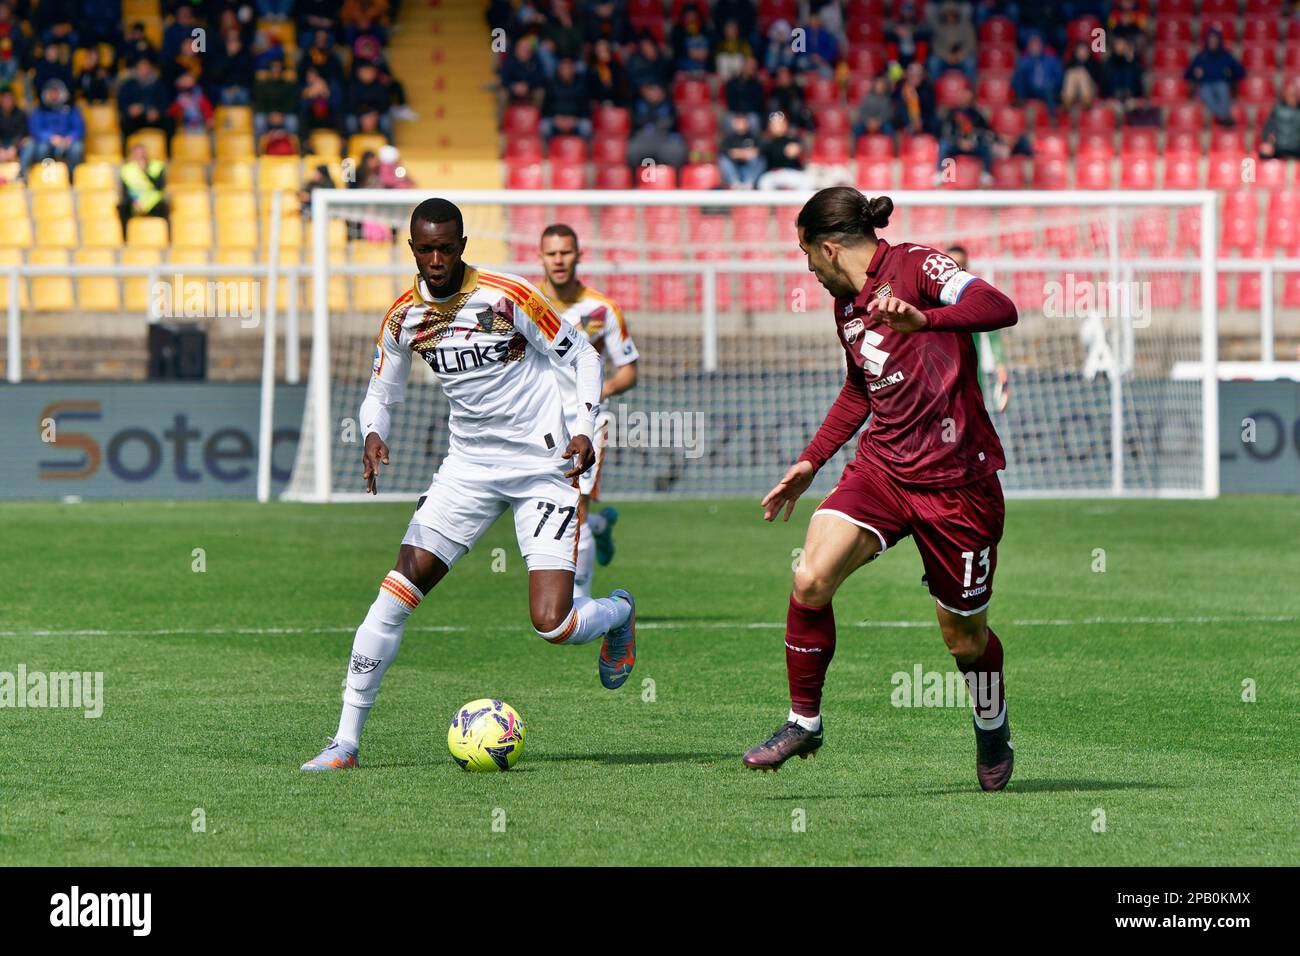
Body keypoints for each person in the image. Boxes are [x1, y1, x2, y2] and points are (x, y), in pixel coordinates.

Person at [300, 199, 637, 771]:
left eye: (446, 248)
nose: (436, 259)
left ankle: (619, 614)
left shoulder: (508, 296)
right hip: (468, 470)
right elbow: (382, 390)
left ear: (461, 245)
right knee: (395, 592)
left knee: (553, 623)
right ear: (411, 248)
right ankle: (346, 742)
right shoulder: (404, 317)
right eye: (425, 249)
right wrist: (373, 433)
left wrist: (583, 427)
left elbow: (582, 355)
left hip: (544, 467)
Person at [741, 187, 1019, 793]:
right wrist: (813, 460)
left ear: (830, 246)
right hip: (883, 471)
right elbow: (859, 390)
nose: (807, 268)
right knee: (811, 577)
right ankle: (803, 721)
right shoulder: (846, 305)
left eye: (806, 253)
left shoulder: (919, 265)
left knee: (964, 639)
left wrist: (927, 318)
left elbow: (1000, 305)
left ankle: (992, 724)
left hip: (957, 484)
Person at [537, 223, 640, 601]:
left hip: (587, 420)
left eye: (566, 252)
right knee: (546, 503)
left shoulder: (602, 309)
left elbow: (628, 370)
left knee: (575, 502)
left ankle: (578, 598)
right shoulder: (529, 305)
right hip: (539, 420)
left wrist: (597, 393)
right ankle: (596, 527)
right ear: (541, 257)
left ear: (578, 255)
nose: (559, 259)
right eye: (552, 253)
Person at [948, 245, 1009, 412]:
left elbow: (994, 337)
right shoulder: (934, 301)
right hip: (942, 383)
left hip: (973, 383)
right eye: (952, 264)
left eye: (961, 265)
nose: (957, 269)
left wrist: (1001, 370)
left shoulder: (976, 299)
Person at [1184, 28, 1243, 126]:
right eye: (1211, 40)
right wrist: (1195, 73)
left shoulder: (1226, 55)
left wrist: (1231, 74)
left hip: (1221, 83)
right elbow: (1187, 74)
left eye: (1215, 40)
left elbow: (1240, 71)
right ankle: (1225, 117)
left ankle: (1223, 118)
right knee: (1204, 92)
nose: (1213, 42)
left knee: (1223, 89)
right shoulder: (1201, 56)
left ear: (1219, 41)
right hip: (1205, 85)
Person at [29, 79, 84, 170]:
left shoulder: (71, 108)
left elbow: (79, 128)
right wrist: (50, 138)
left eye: (56, 92)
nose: (54, 95)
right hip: (49, 142)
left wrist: (70, 138)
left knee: (77, 148)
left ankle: (71, 178)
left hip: (67, 141)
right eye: (51, 92)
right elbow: (36, 129)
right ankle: (45, 175)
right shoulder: (40, 109)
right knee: (42, 149)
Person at [119, 142, 167, 229]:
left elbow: (159, 187)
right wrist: (134, 201)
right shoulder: (126, 170)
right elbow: (125, 192)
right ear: (132, 156)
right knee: (122, 206)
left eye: (143, 155)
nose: (141, 157)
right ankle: (125, 236)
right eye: (138, 155)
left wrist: (145, 172)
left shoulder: (157, 166)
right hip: (135, 201)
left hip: (153, 201)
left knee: (164, 205)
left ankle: (163, 234)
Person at [758, 110, 810, 190]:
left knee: (807, 181)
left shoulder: (793, 138)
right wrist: (784, 151)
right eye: (775, 124)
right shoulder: (766, 141)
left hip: (792, 172)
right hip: (774, 173)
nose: (778, 126)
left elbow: (796, 152)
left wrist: (797, 149)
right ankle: (772, 203)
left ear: (786, 124)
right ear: (769, 126)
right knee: (764, 182)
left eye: (780, 123)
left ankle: (799, 203)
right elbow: (769, 154)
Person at [1011, 33, 1062, 111]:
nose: (1035, 48)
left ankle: (1053, 117)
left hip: (1047, 89)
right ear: (1028, 47)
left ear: (1041, 46)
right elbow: (1015, 81)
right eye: (1032, 45)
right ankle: (1020, 101)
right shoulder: (1024, 61)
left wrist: (1051, 84)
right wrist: (1029, 61)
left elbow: (1058, 77)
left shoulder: (1051, 60)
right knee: (1019, 72)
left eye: (1037, 45)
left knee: (1048, 89)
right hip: (1030, 89)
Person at [718, 111, 764, 188]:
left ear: (747, 123)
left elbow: (762, 149)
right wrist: (743, 153)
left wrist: (742, 153)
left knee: (761, 160)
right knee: (723, 160)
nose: (741, 125)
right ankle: (735, 184)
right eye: (738, 123)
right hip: (734, 170)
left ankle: (749, 184)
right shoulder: (729, 138)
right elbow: (723, 150)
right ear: (733, 124)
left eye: (743, 122)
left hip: (749, 170)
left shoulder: (753, 137)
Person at [1260, 81, 1300, 160]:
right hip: (1279, 146)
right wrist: (1267, 141)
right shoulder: (1277, 109)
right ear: (1284, 95)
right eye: (1289, 94)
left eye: (1293, 94)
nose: (1291, 96)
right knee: (1264, 153)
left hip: (1297, 147)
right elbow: (1267, 127)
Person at [1060, 40, 1103, 110]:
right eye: (1080, 50)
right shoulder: (1071, 63)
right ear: (1076, 52)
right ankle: (1067, 101)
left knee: (1082, 73)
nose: (1082, 52)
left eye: (1084, 50)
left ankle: (1086, 100)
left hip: (1091, 90)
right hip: (1075, 91)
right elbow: (1065, 78)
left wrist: (1084, 69)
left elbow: (1098, 79)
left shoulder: (1094, 63)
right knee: (1071, 73)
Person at [0, 86, 30, 172]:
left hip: (17, 145)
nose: (7, 101)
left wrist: (13, 147)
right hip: (2, 145)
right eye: (5, 98)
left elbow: (23, 133)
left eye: (9, 98)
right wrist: (1, 149)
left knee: (29, 145)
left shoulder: (21, 114)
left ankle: (22, 174)